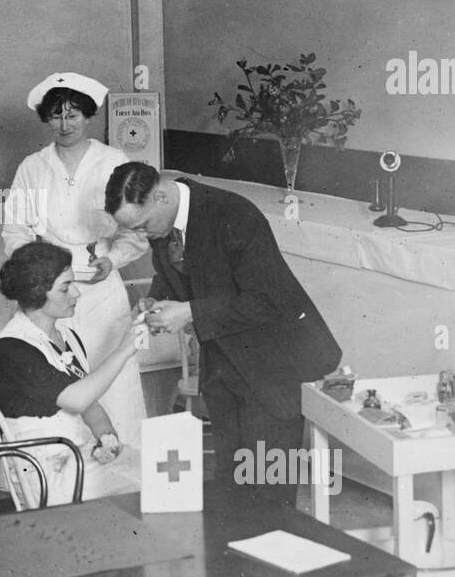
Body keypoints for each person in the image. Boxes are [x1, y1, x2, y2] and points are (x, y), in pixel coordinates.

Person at [104, 163, 342, 507]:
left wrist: (188, 311)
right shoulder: (162, 224)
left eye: (142, 226)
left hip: (274, 369)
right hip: (224, 365)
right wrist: (157, 298)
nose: (144, 236)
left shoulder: (234, 214)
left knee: (267, 491)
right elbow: (175, 274)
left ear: (160, 194)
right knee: (230, 487)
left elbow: (266, 300)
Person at [2, 73, 149, 448]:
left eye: (73, 115)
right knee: (53, 378)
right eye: (56, 115)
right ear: (46, 119)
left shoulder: (114, 161)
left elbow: (136, 231)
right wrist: (39, 271)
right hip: (49, 292)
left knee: (110, 375)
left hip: (102, 290)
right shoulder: (32, 167)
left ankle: (121, 461)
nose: (65, 125)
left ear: (88, 116)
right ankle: (60, 474)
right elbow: (14, 230)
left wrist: (112, 260)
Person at [0, 241, 143, 508]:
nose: (77, 293)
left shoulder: (66, 336)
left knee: (155, 470)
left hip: (79, 456)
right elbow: (77, 400)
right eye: (66, 286)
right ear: (38, 292)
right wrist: (126, 348)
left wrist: (107, 439)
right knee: (156, 485)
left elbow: (90, 406)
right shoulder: (12, 347)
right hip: (47, 473)